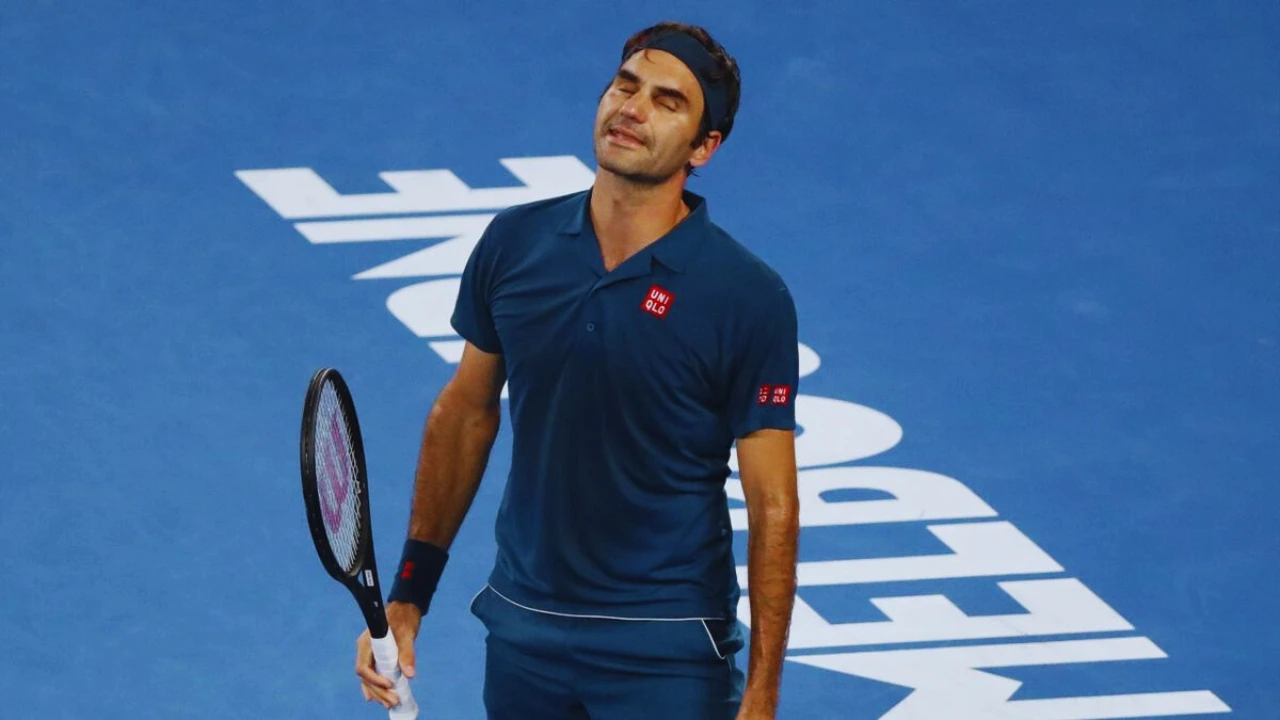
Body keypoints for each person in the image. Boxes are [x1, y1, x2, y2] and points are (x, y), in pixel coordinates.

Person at [356, 20, 800, 720]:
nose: (632, 108)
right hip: (524, 628)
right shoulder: (515, 243)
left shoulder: (746, 297)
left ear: (705, 147)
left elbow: (772, 502)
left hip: (666, 644)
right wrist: (408, 596)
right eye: (625, 86)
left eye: (667, 101)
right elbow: (467, 412)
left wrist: (763, 691)